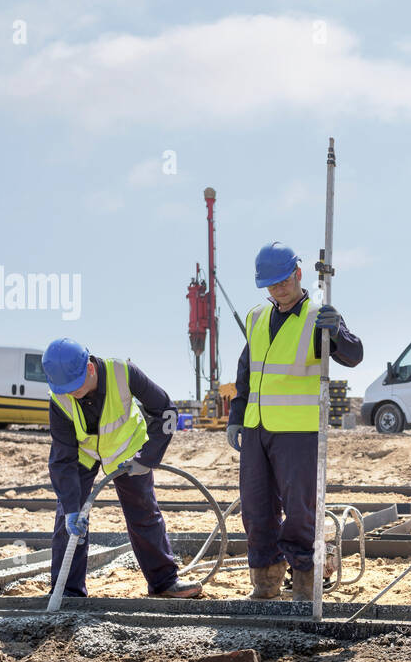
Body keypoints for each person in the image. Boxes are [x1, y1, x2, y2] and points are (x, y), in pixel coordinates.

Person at [226, 241, 364, 601]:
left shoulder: (319, 315)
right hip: (257, 429)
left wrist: (338, 333)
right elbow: (246, 371)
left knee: (301, 509)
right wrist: (236, 417)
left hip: (299, 430)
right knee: (256, 508)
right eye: (270, 284)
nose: (278, 289)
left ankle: (305, 579)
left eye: (283, 281)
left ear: (298, 274)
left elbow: (354, 356)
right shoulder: (257, 317)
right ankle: (266, 580)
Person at [43, 337, 201, 599]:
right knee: (68, 520)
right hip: (83, 454)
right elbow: (62, 458)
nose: (71, 393)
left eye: (75, 386)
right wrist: (71, 509)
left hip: (127, 450)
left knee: (144, 513)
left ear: (90, 369)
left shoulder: (123, 372)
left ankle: (164, 582)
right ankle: (68, 593)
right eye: (66, 388)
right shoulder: (59, 398)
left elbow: (166, 411)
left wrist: (147, 459)